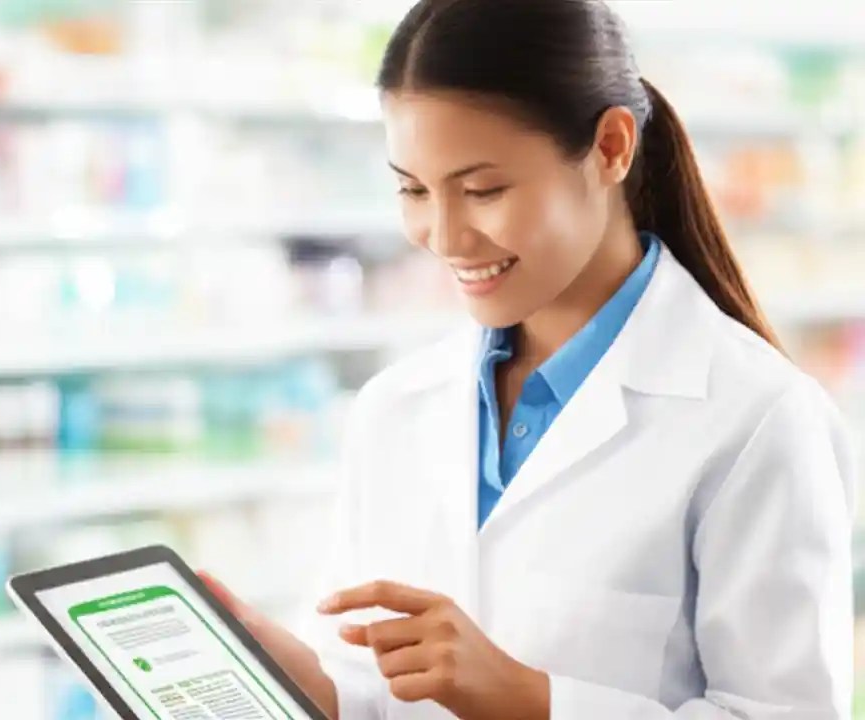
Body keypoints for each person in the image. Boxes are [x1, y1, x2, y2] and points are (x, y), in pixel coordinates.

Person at [200, 0, 857, 718]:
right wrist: (292, 678)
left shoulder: (757, 417)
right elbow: (374, 693)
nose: (443, 235)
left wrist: (528, 700)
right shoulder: (395, 408)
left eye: (484, 190)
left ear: (610, 147)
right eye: (413, 189)